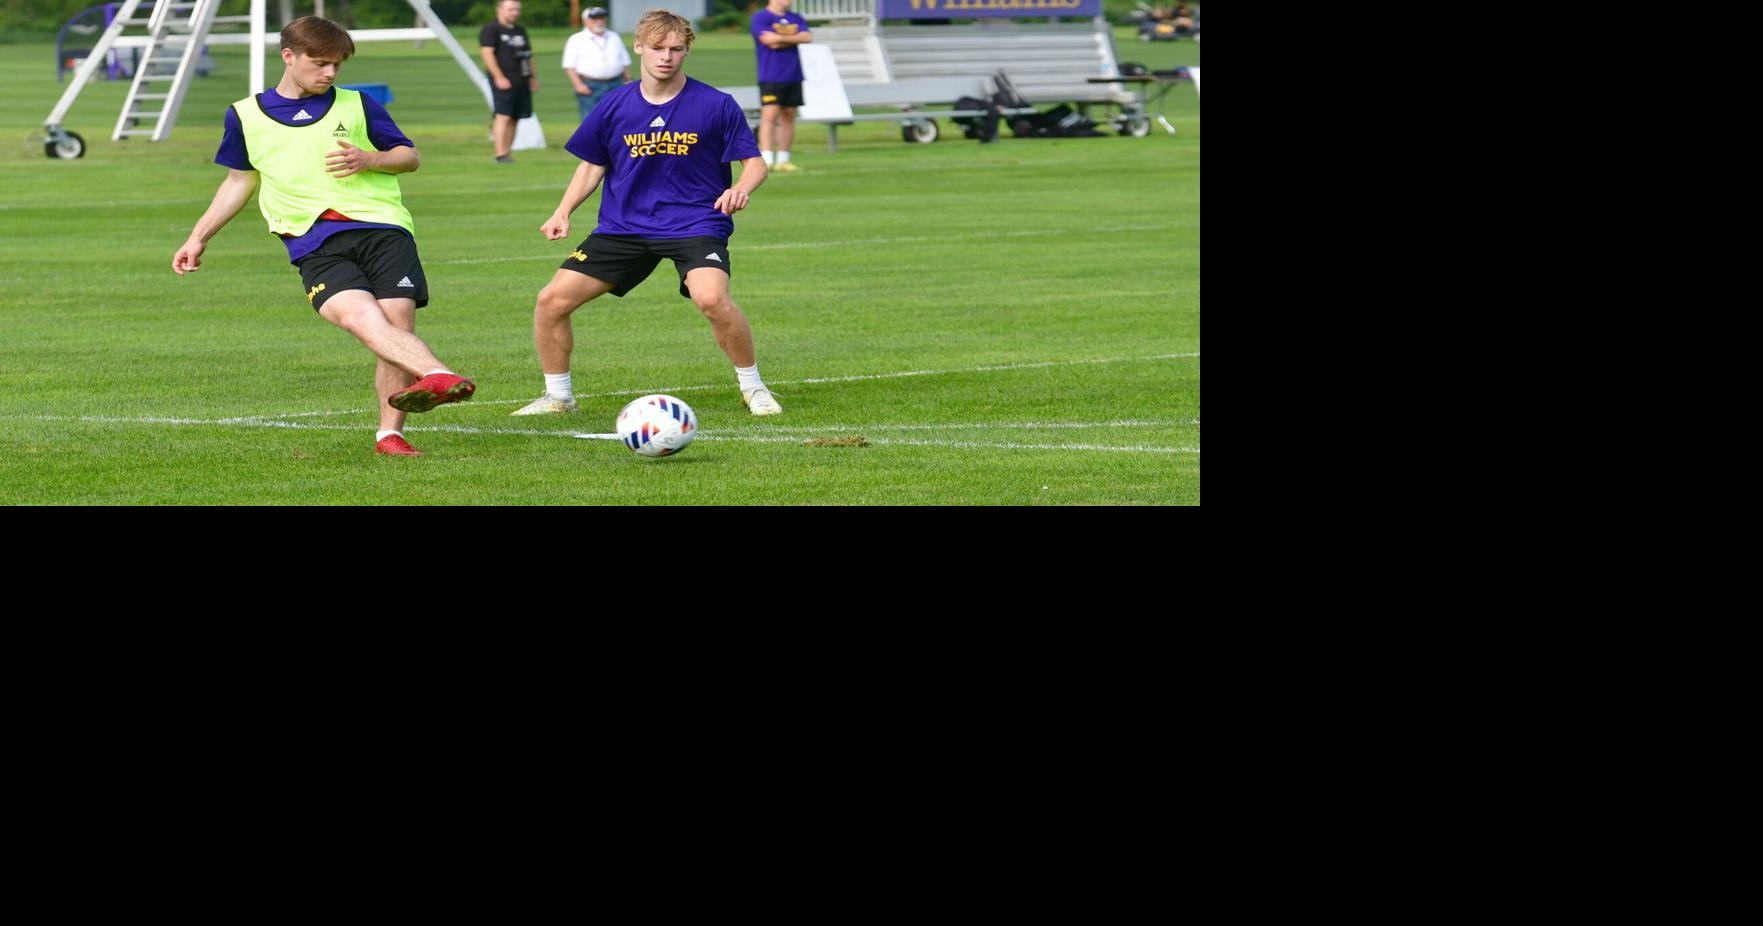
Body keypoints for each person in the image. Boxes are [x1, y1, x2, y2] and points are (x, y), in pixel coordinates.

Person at [172, 15, 475, 457]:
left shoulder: (359, 105)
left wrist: (371, 160)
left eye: (337, 65)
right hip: (311, 238)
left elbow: (409, 157)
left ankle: (390, 434)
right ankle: (438, 375)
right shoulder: (245, 115)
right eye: (320, 63)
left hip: (382, 228)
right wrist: (198, 236)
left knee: (394, 324)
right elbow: (240, 180)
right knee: (358, 318)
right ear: (289, 56)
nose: (330, 73)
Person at [513, 8, 781, 419]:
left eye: (676, 49)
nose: (666, 57)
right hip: (623, 227)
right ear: (638, 47)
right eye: (657, 48)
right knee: (550, 301)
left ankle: (754, 387)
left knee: (711, 298)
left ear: (687, 50)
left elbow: (755, 163)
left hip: (694, 223)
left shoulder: (716, 104)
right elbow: (592, 165)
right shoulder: (613, 105)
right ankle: (558, 397)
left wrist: (740, 189)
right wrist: (562, 211)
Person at [749, 0, 811, 173]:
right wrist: (793, 39)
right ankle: (767, 160)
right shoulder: (761, 17)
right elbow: (769, 42)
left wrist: (779, 38)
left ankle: (784, 159)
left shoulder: (795, 17)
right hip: (771, 76)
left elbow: (807, 37)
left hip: (793, 75)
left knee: (789, 115)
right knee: (769, 116)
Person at [479, 0, 535, 163]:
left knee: (516, 116)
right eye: (511, 9)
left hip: (522, 79)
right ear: (500, 9)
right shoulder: (491, 29)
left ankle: (508, 152)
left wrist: (532, 78)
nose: (515, 12)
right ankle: (500, 153)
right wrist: (499, 77)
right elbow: (487, 54)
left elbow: (529, 55)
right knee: (503, 115)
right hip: (504, 79)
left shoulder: (520, 30)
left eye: (517, 9)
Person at [561, 7, 630, 122]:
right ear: (585, 21)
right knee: (591, 120)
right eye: (595, 18)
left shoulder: (614, 36)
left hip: (616, 83)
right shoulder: (576, 39)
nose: (599, 21)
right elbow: (569, 65)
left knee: (617, 118)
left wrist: (628, 80)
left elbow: (624, 61)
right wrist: (578, 85)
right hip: (590, 85)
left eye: (602, 17)